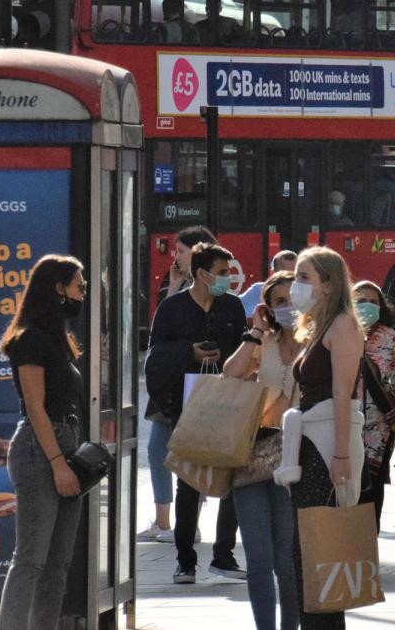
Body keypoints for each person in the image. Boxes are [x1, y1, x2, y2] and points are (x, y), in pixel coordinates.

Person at [145, 242, 247, 584]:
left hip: (227, 403)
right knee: (188, 483)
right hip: (186, 404)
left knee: (233, 479)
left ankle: (223, 556)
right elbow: (155, 357)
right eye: (221, 273)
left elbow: (242, 351)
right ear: (202, 274)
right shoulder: (173, 308)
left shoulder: (231, 307)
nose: (227, 279)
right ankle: (185, 561)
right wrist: (189, 352)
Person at [0, 256, 87, 630]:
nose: (82, 294)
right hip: (40, 449)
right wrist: (57, 462)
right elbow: (35, 408)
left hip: (65, 443)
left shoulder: (57, 339)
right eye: (78, 287)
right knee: (31, 559)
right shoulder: (29, 338)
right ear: (57, 288)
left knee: (58, 562)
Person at [285, 246, 367, 629]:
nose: (295, 285)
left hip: (326, 448)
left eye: (304, 278)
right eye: (295, 276)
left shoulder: (343, 326)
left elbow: (342, 394)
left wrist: (341, 457)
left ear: (329, 284)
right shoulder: (318, 327)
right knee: (307, 553)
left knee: (322, 551)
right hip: (310, 446)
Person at [222, 271, 301, 630]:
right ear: (269, 308)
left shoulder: (318, 341)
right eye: (278, 302)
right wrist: (254, 331)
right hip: (253, 453)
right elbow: (231, 373)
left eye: (291, 299)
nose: (287, 308)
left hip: (296, 456)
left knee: (286, 560)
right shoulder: (264, 341)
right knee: (258, 558)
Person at [353, 280, 395, 529]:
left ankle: (368, 548)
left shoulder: (390, 339)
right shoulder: (339, 333)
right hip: (341, 424)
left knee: (372, 489)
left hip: (379, 427)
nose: (367, 306)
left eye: (373, 301)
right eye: (361, 301)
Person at [240, 251, 298, 319]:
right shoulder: (259, 291)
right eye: (286, 275)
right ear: (273, 274)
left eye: (296, 274)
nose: (292, 280)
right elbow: (232, 310)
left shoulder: (308, 292)